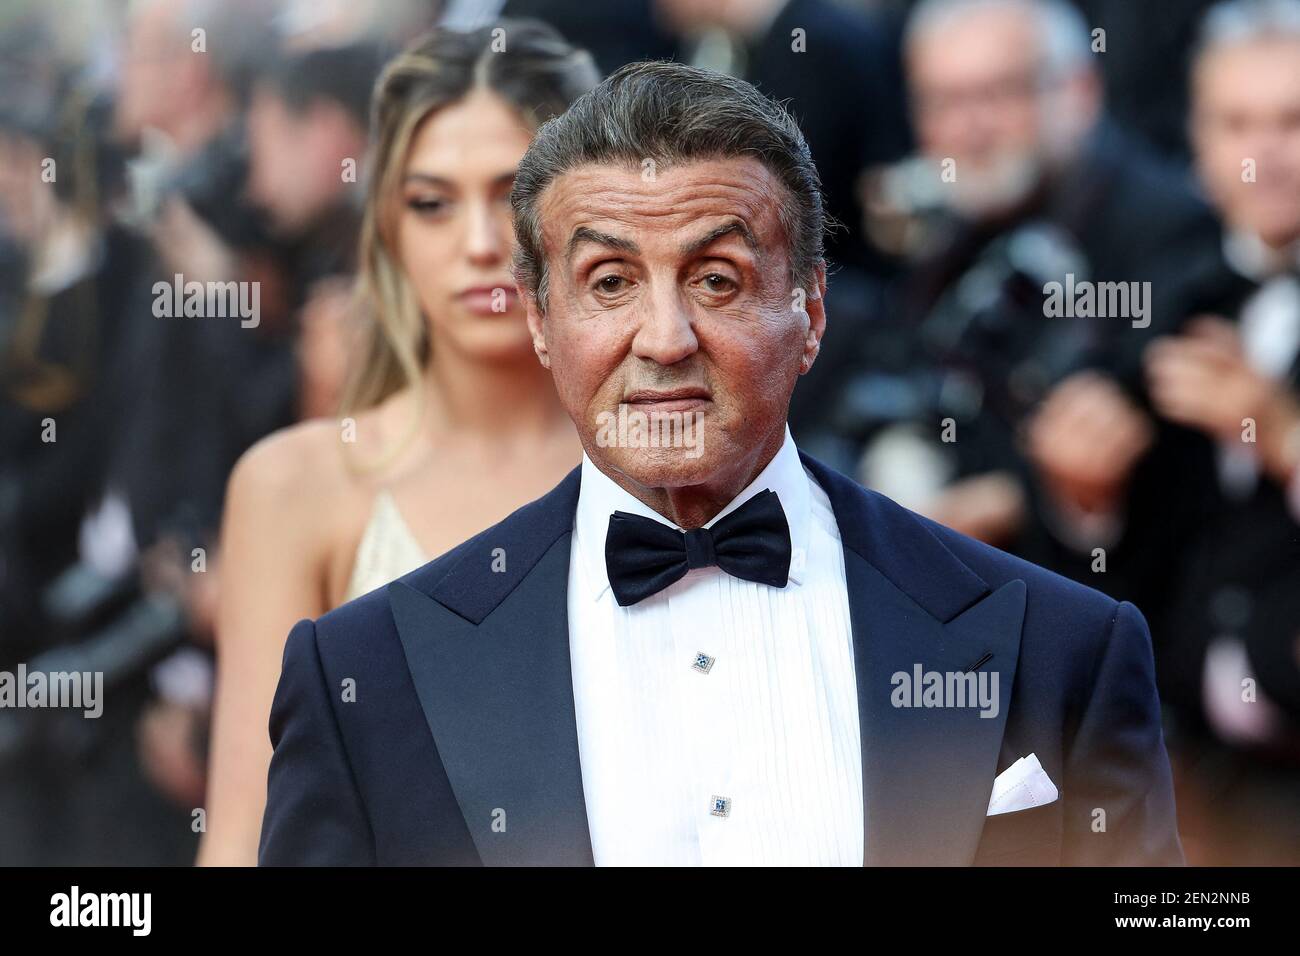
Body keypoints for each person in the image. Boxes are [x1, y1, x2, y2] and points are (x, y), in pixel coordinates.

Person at [260, 59, 1183, 866]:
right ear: (540, 323)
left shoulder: (1063, 650)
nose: (664, 340)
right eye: (610, 283)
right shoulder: (367, 680)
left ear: (811, 312)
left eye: (717, 280)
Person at [197, 21, 598, 866]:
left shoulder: (669, 467)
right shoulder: (296, 486)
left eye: (515, 191)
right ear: (387, 225)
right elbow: (243, 839)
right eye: (432, 203)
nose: (481, 243)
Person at [1143, 0, 1300, 864]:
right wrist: (1080, 496)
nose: (1263, 152)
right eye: (1236, 122)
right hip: (1189, 775)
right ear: (1199, 142)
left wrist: (1283, 431)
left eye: (1291, 121)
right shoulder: (1166, 297)